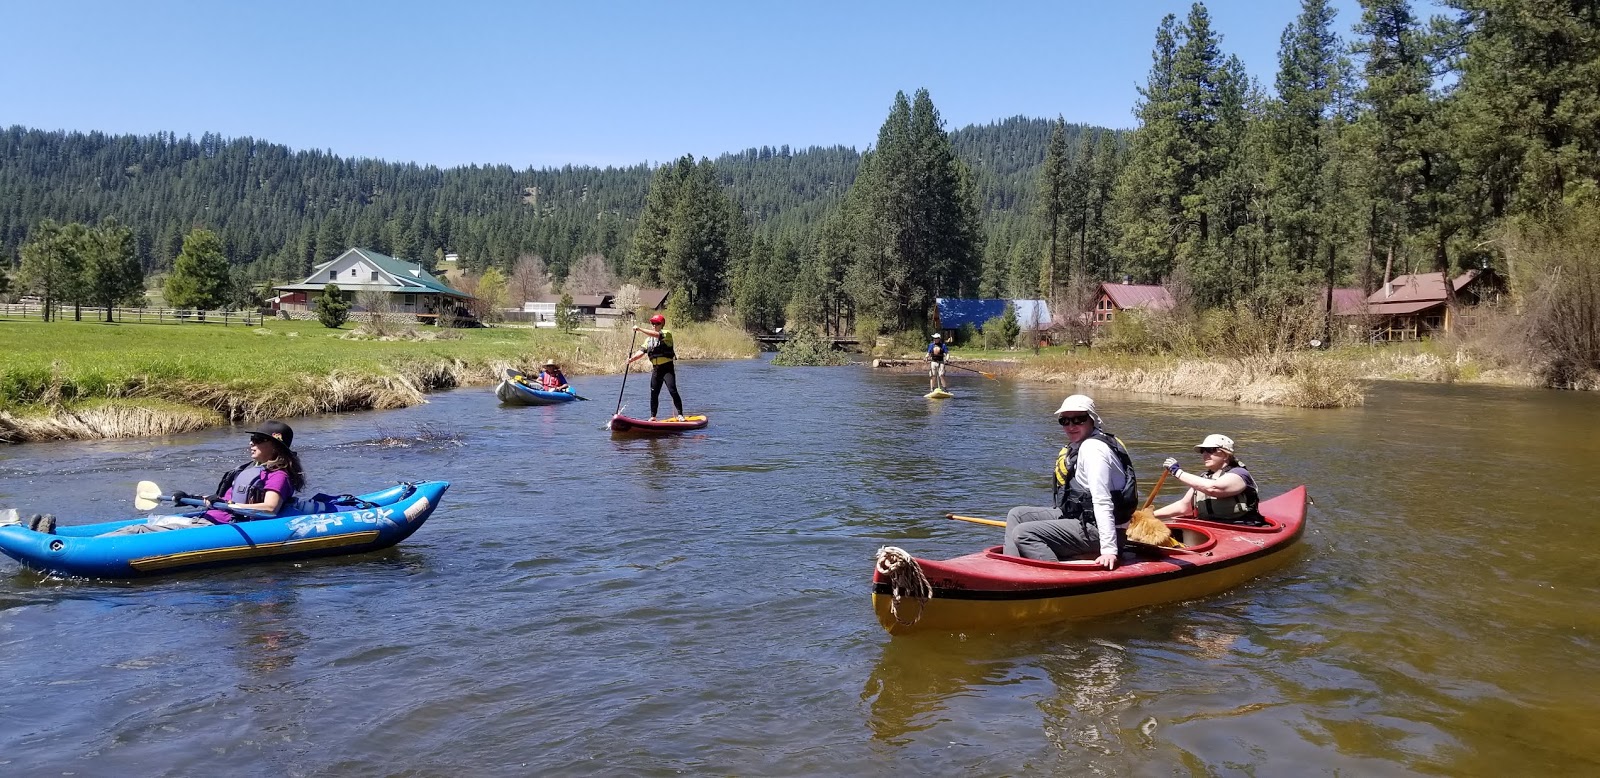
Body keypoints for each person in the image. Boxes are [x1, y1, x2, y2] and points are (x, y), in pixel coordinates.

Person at [1004, 394, 1140, 568]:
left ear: (1092, 420)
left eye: (1079, 420)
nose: (1071, 426)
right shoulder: (1083, 444)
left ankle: (1054, 579)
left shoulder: (1093, 450)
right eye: (1065, 421)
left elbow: (1102, 501)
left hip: (1100, 531)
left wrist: (1109, 550)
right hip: (1081, 518)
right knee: (1017, 515)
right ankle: (1010, 569)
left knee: (1023, 533)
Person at [103, 420, 307, 535]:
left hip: (219, 527)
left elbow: (270, 509)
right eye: (252, 438)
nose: (251, 443)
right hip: (209, 520)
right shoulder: (252, 469)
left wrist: (228, 505)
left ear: (275, 446)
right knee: (138, 527)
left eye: (258, 440)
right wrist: (193, 499)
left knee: (138, 530)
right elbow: (226, 500)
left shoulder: (278, 475)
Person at [1153, 434, 1265, 526]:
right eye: (1203, 451)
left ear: (1225, 455)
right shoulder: (1204, 479)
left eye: (1210, 450)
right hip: (1210, 526)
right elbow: (1183, 507)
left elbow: (1214, 488)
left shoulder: (1240, 474)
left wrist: (1177, 472)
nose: (1205, 454)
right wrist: (1148, 515)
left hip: (1241, 527)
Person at [628, 313, 684, 422]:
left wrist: (639, 329)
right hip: (656, 370)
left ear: (662, 324)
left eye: (657, 323)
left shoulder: (667, 334)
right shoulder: (648, 340)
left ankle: (680, 415)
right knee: (654, 393)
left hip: (667, 368)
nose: (654, 325)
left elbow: (656, 335)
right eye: (652, 323)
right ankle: (653, 416)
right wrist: (631, 360)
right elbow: (642, 351)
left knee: (673, 390)